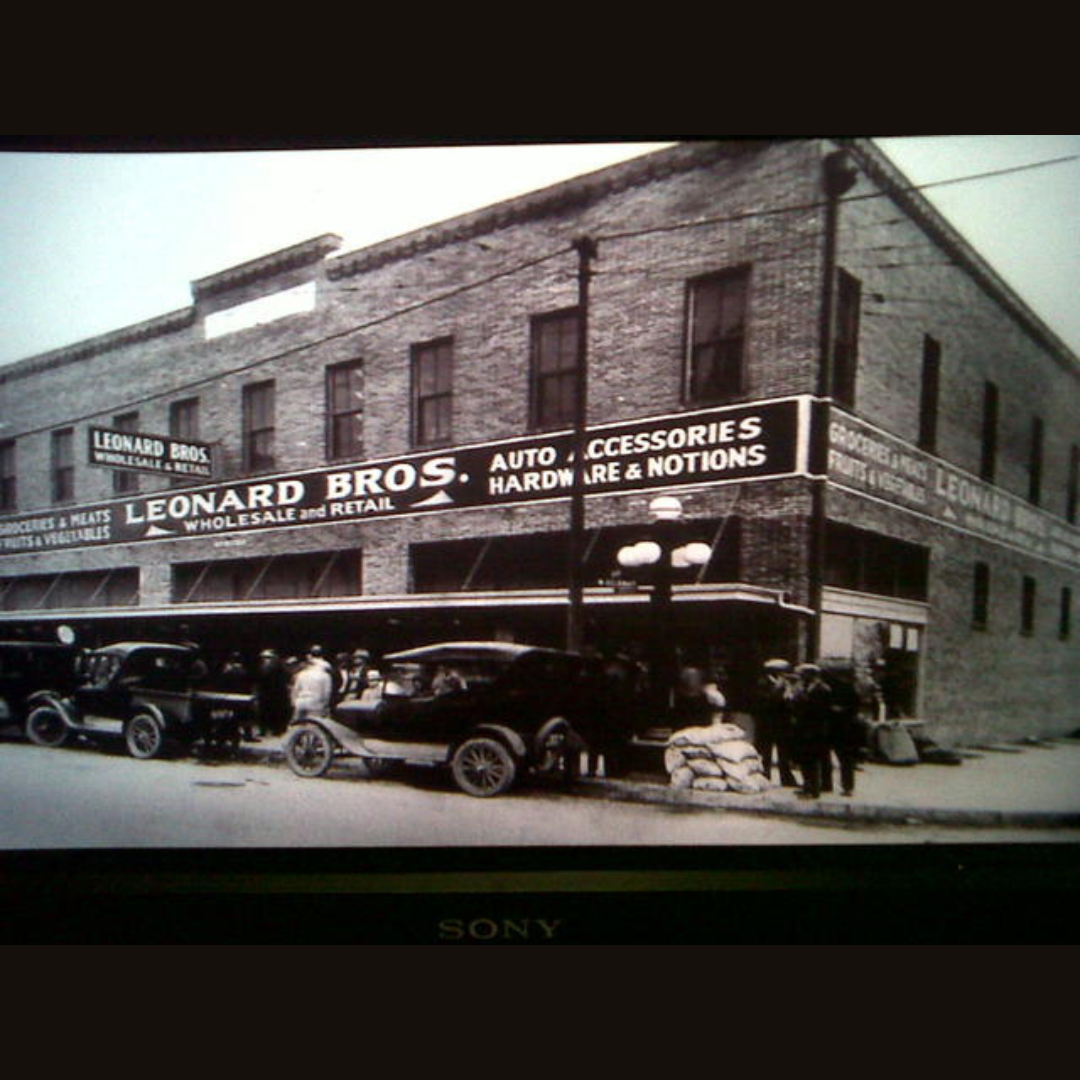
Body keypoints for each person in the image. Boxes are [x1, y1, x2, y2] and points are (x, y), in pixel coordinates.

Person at [752, 658, 798, 787]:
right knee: (766, 752)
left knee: (784, 753)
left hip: (782, 723)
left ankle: (787, 778)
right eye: (782, 672)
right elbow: (766, 702)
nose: (784, 675)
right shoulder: (763, 683)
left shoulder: (786, 685)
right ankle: (765, 776)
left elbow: (789, 703)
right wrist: (778, 689)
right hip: (767, 723)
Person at [791, 662, 832, 799]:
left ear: (811, 675)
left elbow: (820, 710)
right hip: (804, 729)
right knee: (804, 759)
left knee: (813, 760)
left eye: (804, 675)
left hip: (816, 729)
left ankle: (814, 789)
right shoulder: (804, 689)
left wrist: (802, 700)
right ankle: (807, 785)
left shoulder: (823, 690)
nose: (802, 677)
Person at [821, 661, 862, 797]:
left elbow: (853, 707)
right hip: (840, 728)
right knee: (842, 758)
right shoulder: (848, 688)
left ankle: (830, 784)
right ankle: (844, 786)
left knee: (837, 757)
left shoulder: (837, 688)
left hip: (839, 727)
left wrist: (838, 710)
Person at [254, 648, 291, 737]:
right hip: (265, 694)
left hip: (276, 694)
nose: (266, 659)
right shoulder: (262, 667)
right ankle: (263, 730)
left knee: (275, 712)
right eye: (264, 658)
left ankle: (276, 730)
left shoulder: (279, 667)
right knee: (263, 713)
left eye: (268, 657)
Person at [290, 648, 334, 722]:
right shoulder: (325, 676)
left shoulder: (302, 674)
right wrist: (325, 707)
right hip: (316, 704)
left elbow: (295, 690)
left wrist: (294, 703)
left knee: (298, 727)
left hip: (300, 702)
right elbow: (327, 694)